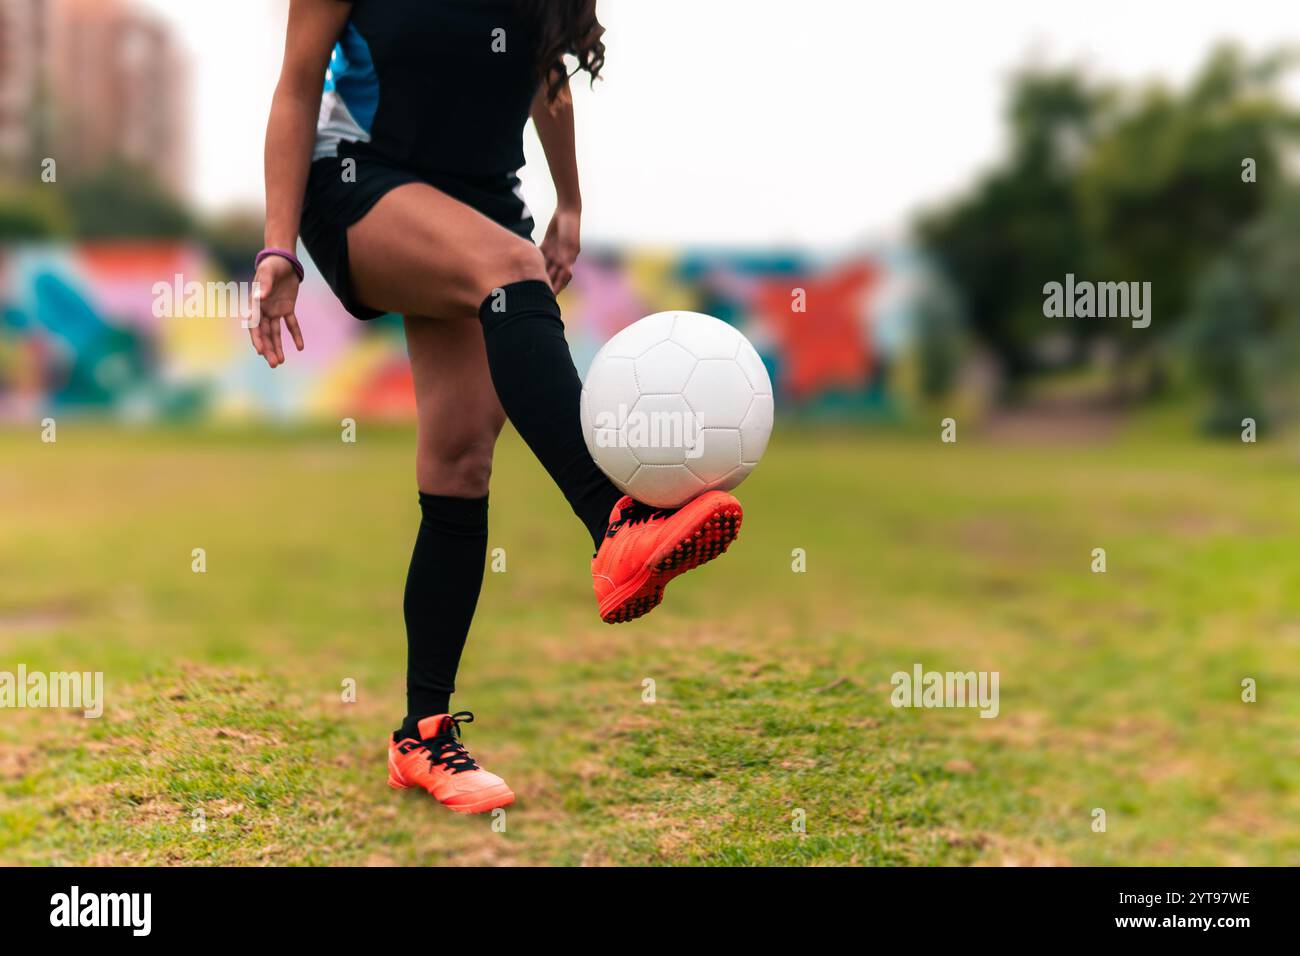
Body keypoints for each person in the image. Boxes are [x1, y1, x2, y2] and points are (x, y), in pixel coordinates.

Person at [254, 0, 743, 814]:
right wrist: (277, 245)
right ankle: (616, 522)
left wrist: (571, 201)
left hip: (483, 203)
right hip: (356, 185)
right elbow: (297, 84)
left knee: (459, 460)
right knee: (509, 272)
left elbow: (547, 69)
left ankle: (422, 735)